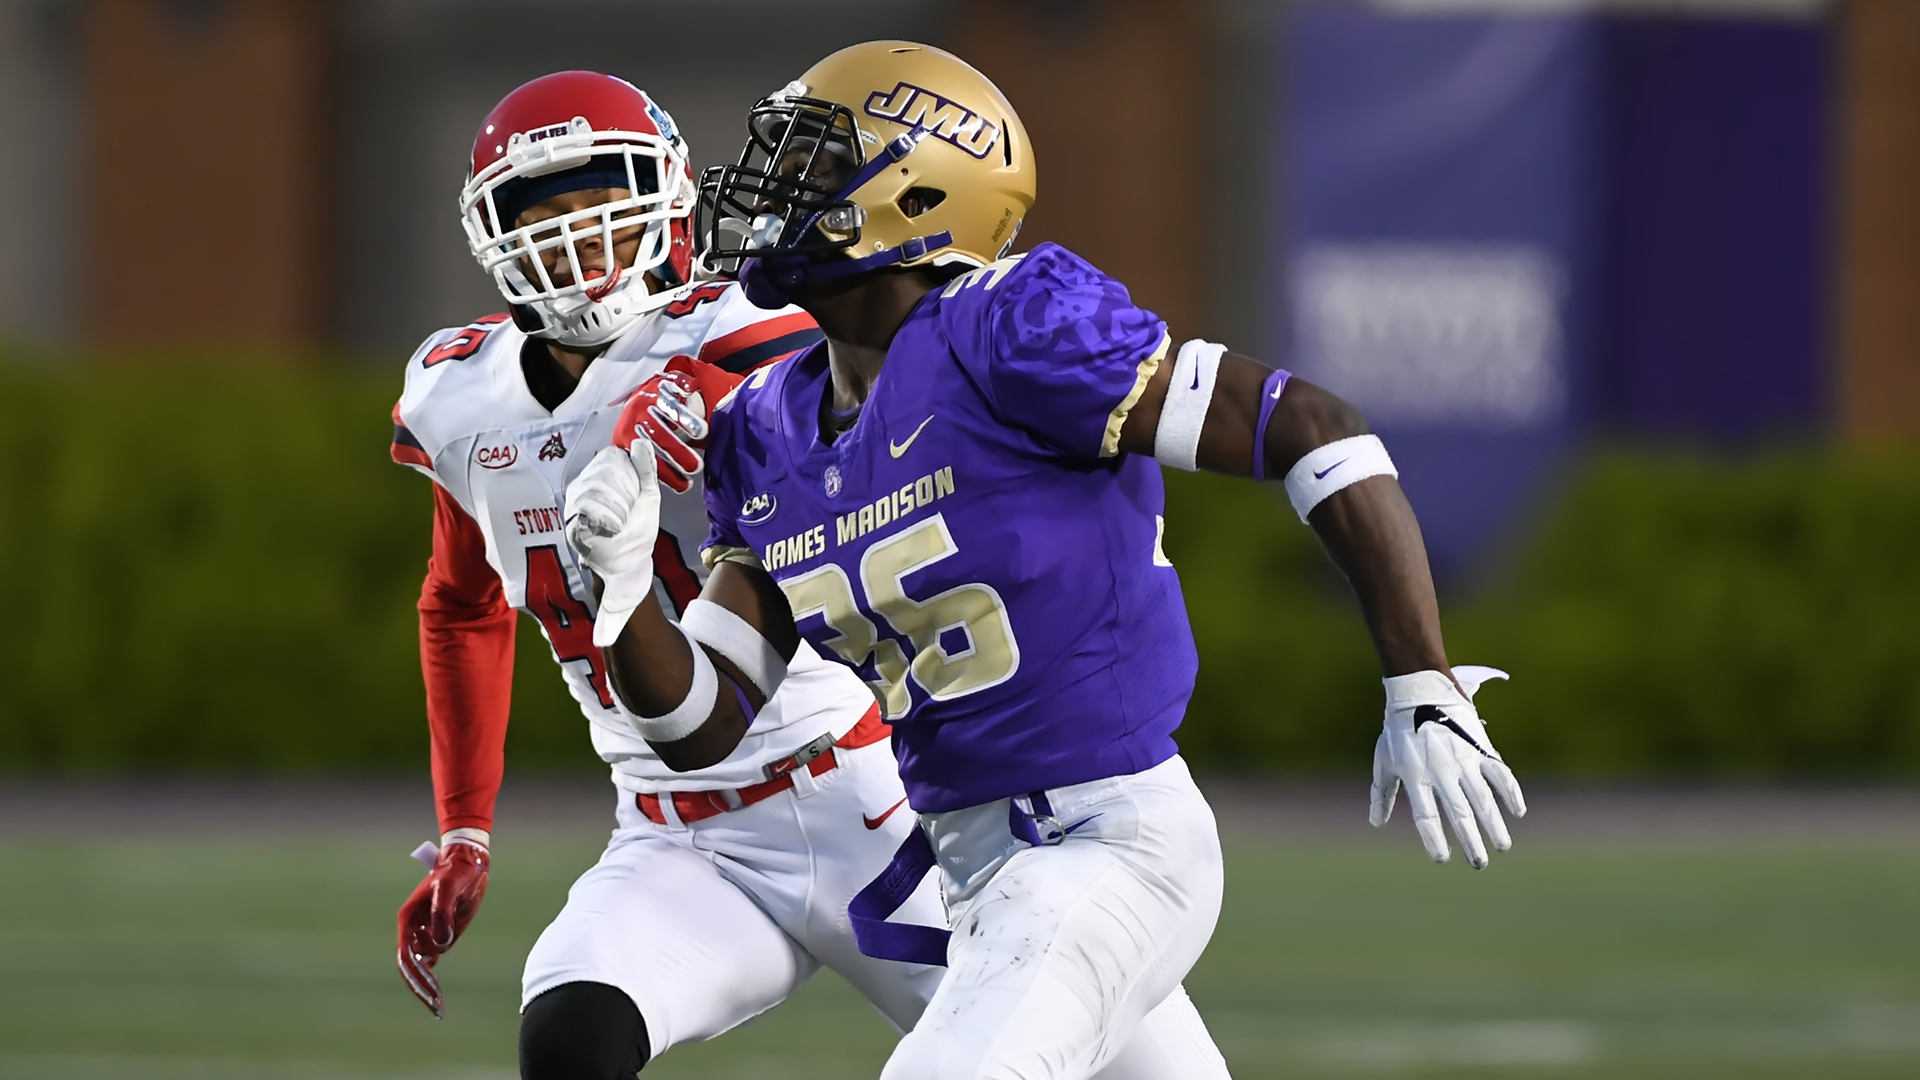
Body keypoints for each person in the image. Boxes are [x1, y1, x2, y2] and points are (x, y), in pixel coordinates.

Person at [562, 40, 1530, 1080]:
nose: (768, 190)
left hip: (1109, 841)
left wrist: (1418, 676)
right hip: (971, 874)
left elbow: (1316, 429)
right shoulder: (761, 425)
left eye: (809, 166)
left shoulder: (1009, 326)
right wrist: (620, 604)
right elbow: (703, 727)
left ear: (919, 186)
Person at [386, 69, 938, 1079]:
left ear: (668, 203)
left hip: (869, 801)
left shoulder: (738, 327)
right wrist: (465, 826)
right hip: (678, 837)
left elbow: (826, 329)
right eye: (543, 214)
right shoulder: (460, 396)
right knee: (570, 1034)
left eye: (601, 207)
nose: (573, 240)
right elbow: (462, 605)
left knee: (1099, 1054)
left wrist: (680, 395)